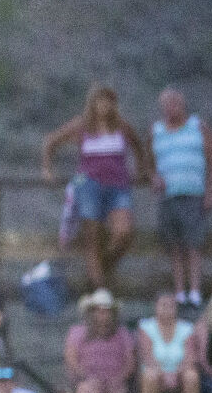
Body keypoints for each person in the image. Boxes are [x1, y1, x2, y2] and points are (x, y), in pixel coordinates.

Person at [41, 84, 154, 290]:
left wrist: (140, 170)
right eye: (100, 101)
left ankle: (104, 266)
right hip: (89, 185)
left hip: (118, 185)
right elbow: (51, 142)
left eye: (108, 101)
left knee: (124, 233)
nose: (104, 106)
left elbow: (138, 146)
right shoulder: (82, 125)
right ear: (92, 104)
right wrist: (47, 169)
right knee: (91, 237)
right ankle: (99, 289)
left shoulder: (121, 126)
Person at [150, 88, 212, 307]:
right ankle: (179, 292)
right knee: (174, 246)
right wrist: (153, 176)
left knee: (193, 244)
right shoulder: (156, 130)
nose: (170, 108)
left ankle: (195, 292)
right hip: (168, 195)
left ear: (183, 105)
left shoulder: (198, 127)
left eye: (174, 104)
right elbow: (147, 160)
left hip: (193, 194)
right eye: (166, 105)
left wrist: (210, 191)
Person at [63, 288, 134, 393]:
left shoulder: (122, 333)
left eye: (106, 311)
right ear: (91, 312)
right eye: (99, 311)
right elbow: (71, 360)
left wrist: (118, 378)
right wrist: (87, 378)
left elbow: (130, 362)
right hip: (86, 381)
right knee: (92, 392)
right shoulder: (77, 332)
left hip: (115, 381)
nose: (103, 315)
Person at [136, 289, 200, 393]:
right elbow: (147, 357)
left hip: (179, 373)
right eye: (163, 305)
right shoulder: (146, 327)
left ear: (176, 309)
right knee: (150, 376)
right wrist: (164, 375)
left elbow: (190, 357)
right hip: (155, 371)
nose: (167, 309)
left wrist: (175, 374)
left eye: (171, 306)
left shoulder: (187, 328)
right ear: (156, 307)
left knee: (192, 376)